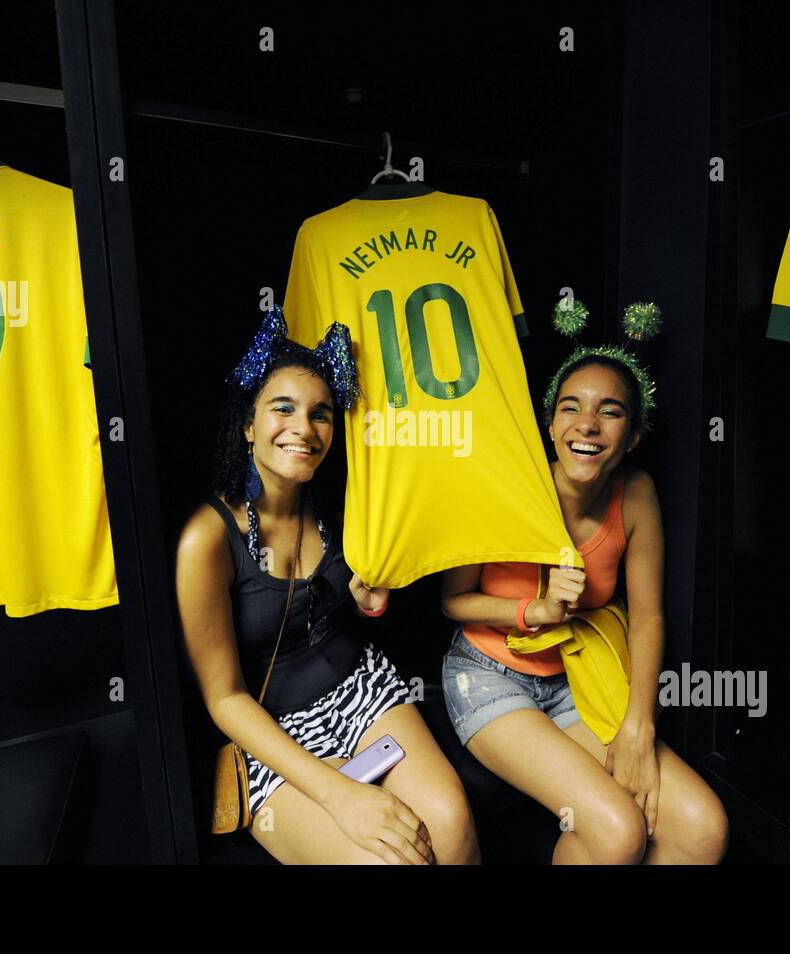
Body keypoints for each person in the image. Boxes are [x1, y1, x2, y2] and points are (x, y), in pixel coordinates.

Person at [176, 306, 478, 865]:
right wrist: (342, 794)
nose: (304, 428)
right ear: (248, 424)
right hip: (273, 734)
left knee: (452, 826)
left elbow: (343, 606)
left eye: (321, 414)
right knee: (384, 861)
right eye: (282, 408)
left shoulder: (331, 501)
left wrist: (365, 601)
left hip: (362, 693)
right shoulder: (207, 538)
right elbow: (224, 698)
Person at [439, 304, 728, 864]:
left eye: (609, 411)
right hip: (489, 678)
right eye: (570, 408)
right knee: (618, 831)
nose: (587, 424)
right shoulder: (508, 490)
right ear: (549, 426)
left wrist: (639, 728)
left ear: (634, 434)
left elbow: (647, 617)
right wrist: (537, 611)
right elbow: (453, 602)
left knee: (702, 828)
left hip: (578, 678)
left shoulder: (636, 493)